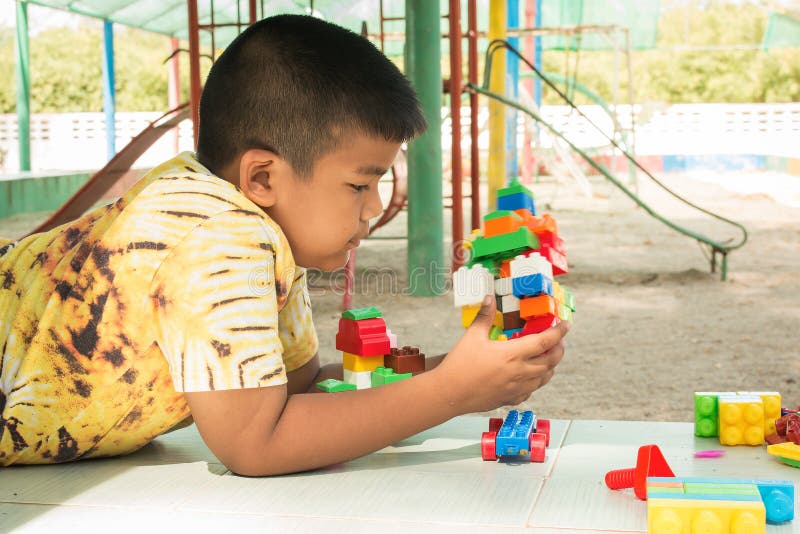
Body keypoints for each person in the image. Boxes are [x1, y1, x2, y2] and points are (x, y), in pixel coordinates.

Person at [0, 14, 568, 474]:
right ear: (263, 178)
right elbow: (257, 443)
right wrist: (451, 392)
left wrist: (467, 370)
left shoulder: (266, 235)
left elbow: (300, 393)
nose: (373, 210)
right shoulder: (219, 236)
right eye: (359, 185)